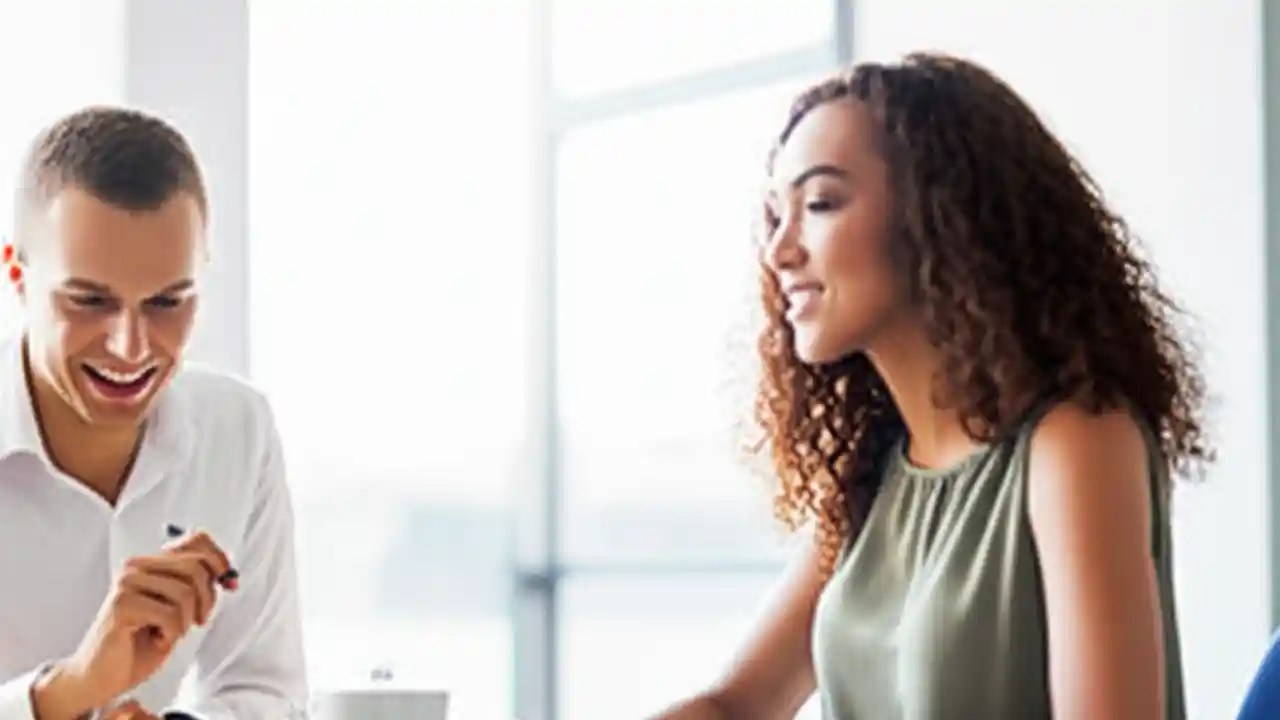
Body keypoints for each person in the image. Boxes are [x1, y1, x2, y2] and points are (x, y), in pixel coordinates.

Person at [656, 53, 1208, 719]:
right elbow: (735, 706)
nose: (779, 252)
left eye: (821, 203)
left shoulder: (1074, 442)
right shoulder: (871, 473)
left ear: (940, 217)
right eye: (776, 216)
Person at [0, 107, 307, 719]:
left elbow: (266, 691)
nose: (131, 348)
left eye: (168, 301)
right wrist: (69, 690)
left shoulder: (237, 431)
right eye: (89, 301)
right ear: (18, 276)